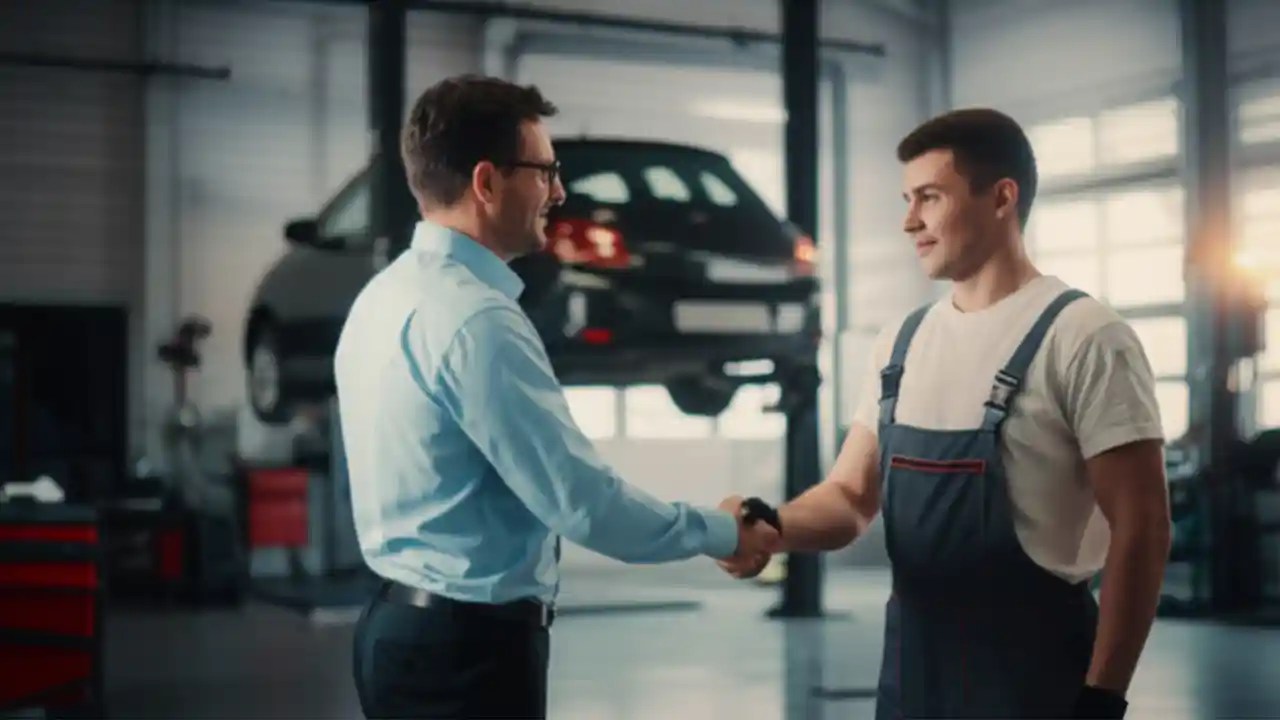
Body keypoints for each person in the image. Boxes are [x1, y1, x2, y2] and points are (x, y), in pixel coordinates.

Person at [335, 74, 778, 720]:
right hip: (467, 653)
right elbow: (582, 501)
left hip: (397, 630)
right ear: (487, 183)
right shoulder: (476, 321)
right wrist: (720, 531)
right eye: (545, 172)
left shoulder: (382, 298)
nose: (560, 192)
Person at [721, 108, 1172, 719]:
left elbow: (1142, 528)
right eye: (908, 199)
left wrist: (1103, 696)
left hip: (1037, 690)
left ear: (1001, 199)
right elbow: (852, 497)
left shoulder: (1085, 336)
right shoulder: (901, 344)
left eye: (929, 197)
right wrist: (769, 523)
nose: (910, 221)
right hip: (911, 685)